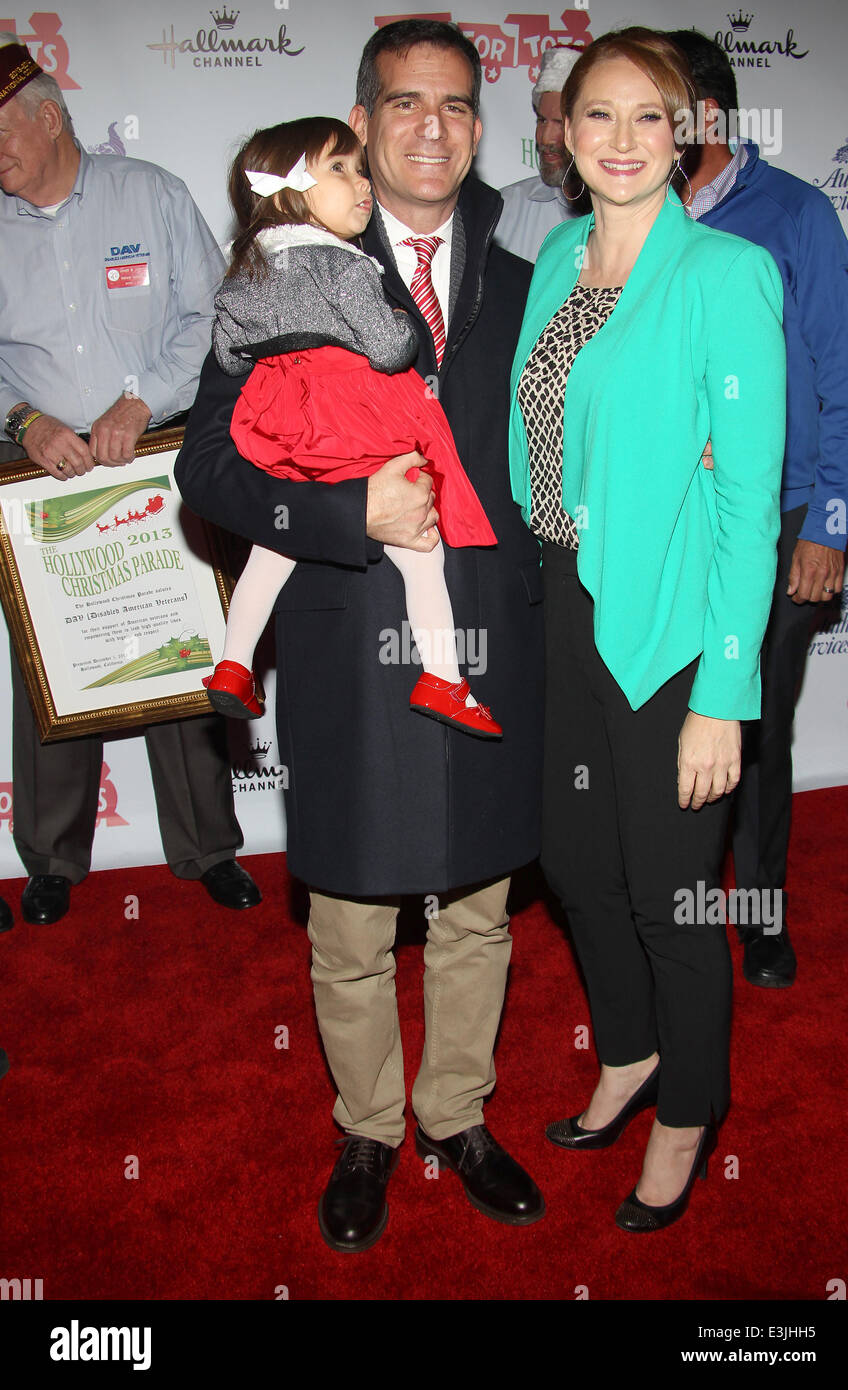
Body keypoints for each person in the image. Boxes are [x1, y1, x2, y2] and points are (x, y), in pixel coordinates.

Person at [176, 19, 545, 1252]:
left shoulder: (525, 265)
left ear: (479, 124)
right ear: (361, 120)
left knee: (479, 908)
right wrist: (341, 512)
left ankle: (457, 1112)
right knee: (347, 924)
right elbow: (211, 469)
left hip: (481, 630)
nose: (430, 126)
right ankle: (369, 1126)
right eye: (402, 104)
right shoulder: (288, 266)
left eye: (453, 104)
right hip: (340, 632)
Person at [510, 27, 786, 1230]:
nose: (621, 141)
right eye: (596, 117)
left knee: (674, 891)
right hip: (555, 607)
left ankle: (690, 1109)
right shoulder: (554, 249)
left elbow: (745, 496)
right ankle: (624, 1050)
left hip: (668, 625)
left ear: (684, 136)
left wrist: (724, 690)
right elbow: (536, 429)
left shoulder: (724, 274)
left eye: (646, 118)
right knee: (573, 865)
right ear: (563, 138)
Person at [0, 35, 261, 923]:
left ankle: (207, 846)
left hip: (160, 455)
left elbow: (212, 313)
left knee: (183, 649)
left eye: (1, 126)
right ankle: (51, 860)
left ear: (49, 117)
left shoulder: (148, 193)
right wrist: (23, 421)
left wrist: (138, 401)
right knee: (52, 662)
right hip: (36, 473)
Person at [666, 28, 848, 989]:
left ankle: (759, 913)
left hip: (779, 515)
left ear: (704, 113)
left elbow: (845, 371)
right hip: (668, 517)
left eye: (657, 104)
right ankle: (678, 900)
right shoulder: (640, 216)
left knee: (752, 720)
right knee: (670, 711)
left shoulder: (795, 213)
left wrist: (831, 520)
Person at [204, 117, 501, 739]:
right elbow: (393, 350)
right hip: (352, 423)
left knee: (273, 547)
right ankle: (445, 677)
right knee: (423, 553)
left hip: (280, 427)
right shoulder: (342, 264)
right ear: (289, 189)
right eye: (339, 169)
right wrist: (397, 320)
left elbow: (230, 354)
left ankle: (233, 663)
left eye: (360, 168)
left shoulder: (247, 268)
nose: (361, 182)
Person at [495, 45, 583, 262]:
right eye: (542, 120)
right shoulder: (503, 208)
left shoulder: (629, 215)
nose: (545, 138)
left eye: (560, 123)